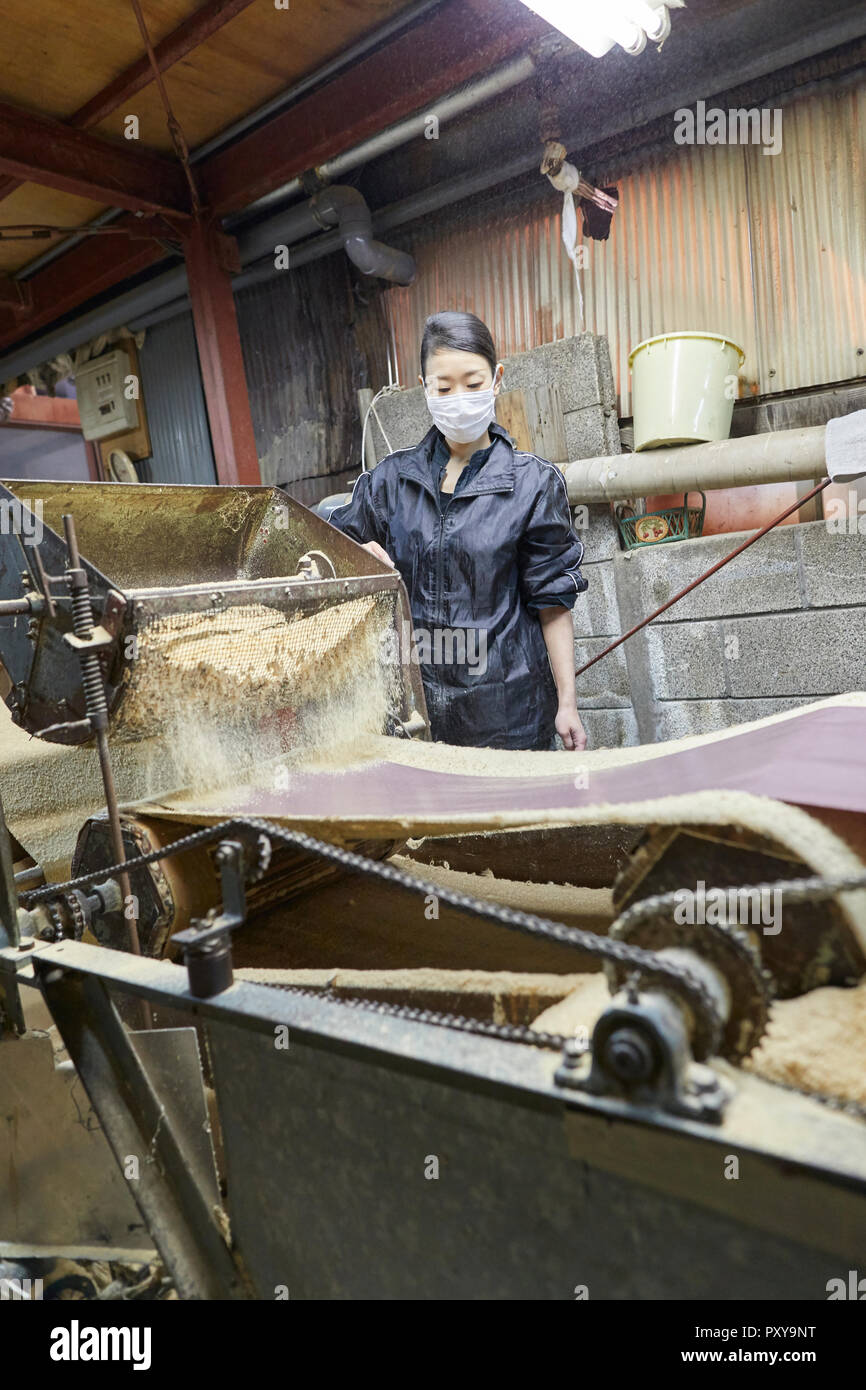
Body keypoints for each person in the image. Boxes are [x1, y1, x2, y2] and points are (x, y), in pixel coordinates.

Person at [328, 310, 588, 750]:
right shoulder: (390, 482)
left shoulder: (532, 484)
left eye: (473, 383)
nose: (459, 397)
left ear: (497, 378)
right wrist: (358, 557)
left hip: (508, 713)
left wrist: (568, 703)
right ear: (423, 387)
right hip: (414, 711)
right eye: (443, 387)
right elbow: (327, 549)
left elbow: (553, 603)